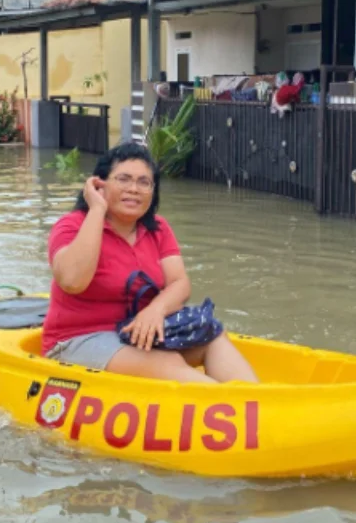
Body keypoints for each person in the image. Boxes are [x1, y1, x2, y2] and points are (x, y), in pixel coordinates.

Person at [43, 143, 258, 383]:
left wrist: (155, 310)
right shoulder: (72, 225)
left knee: (213, 336)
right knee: (170, 362)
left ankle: (257, 406)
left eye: (144, 182)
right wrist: (96, 210)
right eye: (123, 179)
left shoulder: (158, 228)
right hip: (79, 338)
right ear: (99, 185)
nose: (134, 189)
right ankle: (229, 410)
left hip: (142, 333)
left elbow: (179, 283)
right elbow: (72, 281)